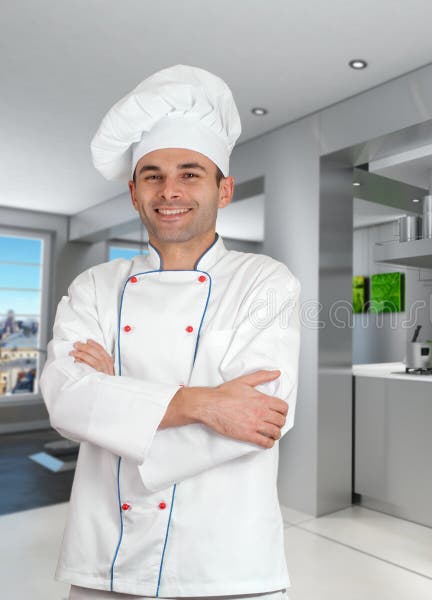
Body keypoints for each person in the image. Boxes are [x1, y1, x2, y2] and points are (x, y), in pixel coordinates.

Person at [40, 65, 301, 600]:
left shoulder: (266, 280)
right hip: (106, 557)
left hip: (226, 561)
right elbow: (67, 402)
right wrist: (205, 403)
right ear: (134, 193)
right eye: (153, 175)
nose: (170, 190)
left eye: (190, 172)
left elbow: (259, 415)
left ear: (223, 189)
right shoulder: (95, 285)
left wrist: (114, 398)